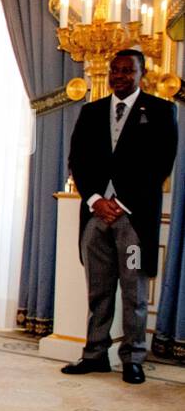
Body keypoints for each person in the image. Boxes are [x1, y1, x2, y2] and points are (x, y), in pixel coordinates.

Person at [63, 49, 178, 384]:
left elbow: (159, 164)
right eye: (115, 70)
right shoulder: (91, 112)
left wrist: (122, 203)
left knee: (133, 291)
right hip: (96, 218)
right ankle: (95, 355)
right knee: (98, 291)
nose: (119, 76)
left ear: (142, 73)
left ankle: (133, 358)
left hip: (133, 222)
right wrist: (97, 200)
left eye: (128, 71)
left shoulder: (161, 111)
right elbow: (78, 161)